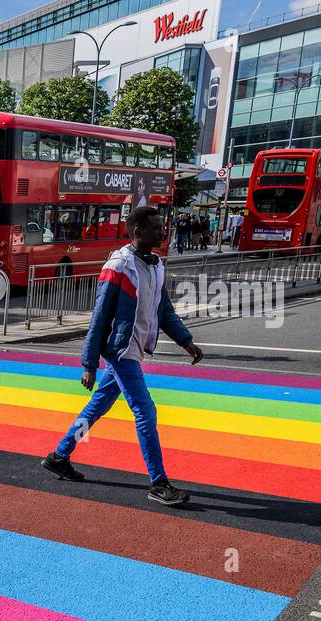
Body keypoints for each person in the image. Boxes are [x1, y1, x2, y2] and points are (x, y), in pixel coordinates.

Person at [41, 205, 204, 507]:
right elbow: (100, 316)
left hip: (135, 348)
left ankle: (59, 455)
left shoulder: (156, 265)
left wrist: (186, 341)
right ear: (138, 231)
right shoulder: (118, 266)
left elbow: (162, 309)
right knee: (145, 411)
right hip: (121, 350)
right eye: (155, 227)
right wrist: (89, 363)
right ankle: (159, 483)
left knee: (97, 407)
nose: (162, 231)